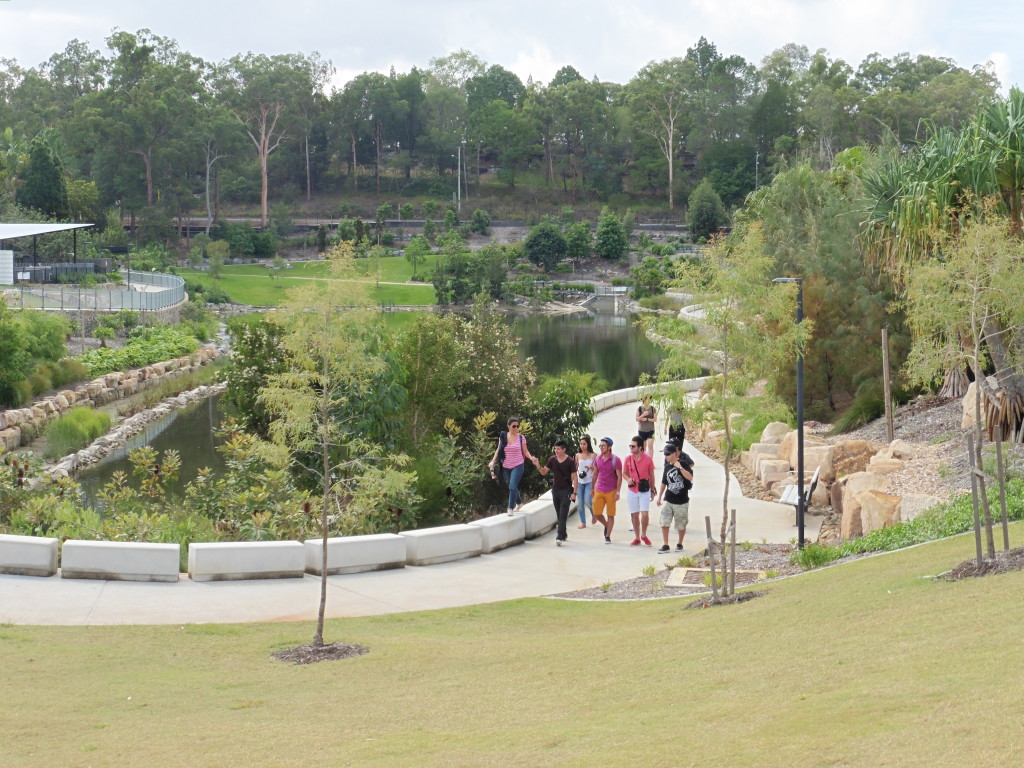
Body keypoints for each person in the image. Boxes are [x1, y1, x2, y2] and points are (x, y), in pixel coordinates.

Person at [488, 417, 540, 516]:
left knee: (512, 485)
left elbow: (525, 451)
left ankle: (510, 507)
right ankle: (519, 503)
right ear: (508, 426)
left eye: (517, 426)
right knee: (512, 486)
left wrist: (531, 458)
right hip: (506, 466)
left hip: (518, 464)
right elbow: (498, 450)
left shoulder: (521, 438)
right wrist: (492, 461)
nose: (516, 428)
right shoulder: (503, 437)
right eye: (514, 426)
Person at [655, 441, 694, 553]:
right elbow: (664, 482)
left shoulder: (683, 464)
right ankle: (665, 544)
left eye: (667, 454)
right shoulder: (667, 467)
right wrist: (659, 497)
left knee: (681, 524)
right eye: (664, 454)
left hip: (682, 500)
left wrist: (680, 467)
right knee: (664, 521)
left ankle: (680, 543)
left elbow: (690, 477)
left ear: (674, 454)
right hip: (669, 499)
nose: (666, 456)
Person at [537, 439, 578, 545]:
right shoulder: (552, 460)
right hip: (555, 490)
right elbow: (543, 472)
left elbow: (575, 477)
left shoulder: (570, 461)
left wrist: (574, 492)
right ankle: (563, 533)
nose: (556, 451)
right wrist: (537, 465)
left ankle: (559, 536)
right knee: (559, 514)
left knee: (563, 513)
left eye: (558, 449)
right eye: (555, 449)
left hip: (567, 490)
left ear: (564, 449)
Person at [624, 435, 657, 546]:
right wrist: (628, 479)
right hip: (632, 489)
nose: (631, 448)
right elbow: (624, 473)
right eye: (630, 446)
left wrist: (652, 490)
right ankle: (637, 537)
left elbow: (652, 475)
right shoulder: (628, 458)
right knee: (634, 515)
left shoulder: (647, 459)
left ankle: (644, 534)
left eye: (633, 446)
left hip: (644, 490)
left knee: (644, 513)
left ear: (640, 447)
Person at [590, 436, 622, 544]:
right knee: (596, 512)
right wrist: (592, 488)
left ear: (609, 447)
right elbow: (595, 474)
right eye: (600, 446)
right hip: (599, 489)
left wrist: (618, 492)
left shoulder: (615, 460)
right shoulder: (597, 459)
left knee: (610, 514)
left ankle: (607, 536)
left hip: (611, 490)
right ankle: (607, 525)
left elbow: (619, 477)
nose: (601, 448)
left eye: (603, 446)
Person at [574, 435, 596, 528]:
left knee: (588, 501)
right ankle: (583, 522)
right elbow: (575, 468)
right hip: (580, 481)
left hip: (589, 481)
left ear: (588, 444)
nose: (582, 446)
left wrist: (592, 467)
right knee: (580, 503)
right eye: (581, 444)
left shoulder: (593, 455)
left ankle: (594, 514)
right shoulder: (577, 455)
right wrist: (573, 481)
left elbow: (598, 469)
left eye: (584, 444)